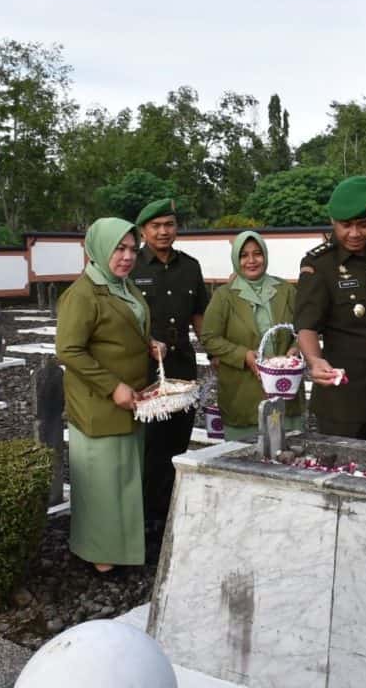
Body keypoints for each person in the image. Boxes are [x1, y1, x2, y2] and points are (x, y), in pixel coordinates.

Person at [55, 217, 156, 575]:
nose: (127, 256)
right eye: (119, 248)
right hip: (100, 402)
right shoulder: (83, 294)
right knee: (102, 480)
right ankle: (99, 552)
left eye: (132, 249)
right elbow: (68, 350)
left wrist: (149, 343)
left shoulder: (124, 287)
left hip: (132, 399)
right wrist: (112, 386)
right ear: (98, 249)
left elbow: (126, 328)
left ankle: (122, 546)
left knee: (124, 478)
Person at [294, 175, 366, 441]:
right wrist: (314, 360)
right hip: (342, 392)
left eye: (364, 224)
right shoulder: (320, 263)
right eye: (346, 225)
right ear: (333, 222)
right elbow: (306, 324)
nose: (355, 233)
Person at [128, 198, 208, 524]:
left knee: (178, 440)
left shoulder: (190, 266)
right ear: (143, 230)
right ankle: (145, 520)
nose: (163, 232)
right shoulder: (132, 266)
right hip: (146, 369)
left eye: (169, 225)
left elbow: (199, 315)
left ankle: (169, 513)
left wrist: (213, 351)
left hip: (182, 366)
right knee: (150, 448)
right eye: (155, 226)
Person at [200, 231, 306, 440]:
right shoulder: (224, 296)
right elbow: (209, 338)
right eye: (244, 255)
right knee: (245, 461)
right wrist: (244, 355)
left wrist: (295, 350)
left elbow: (303, 327)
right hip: (242, 392)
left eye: (257, 254)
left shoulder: (285, 290)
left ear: (265, 256)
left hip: (285, 388)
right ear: (236, 259)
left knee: (289, 454)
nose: (251, 260)